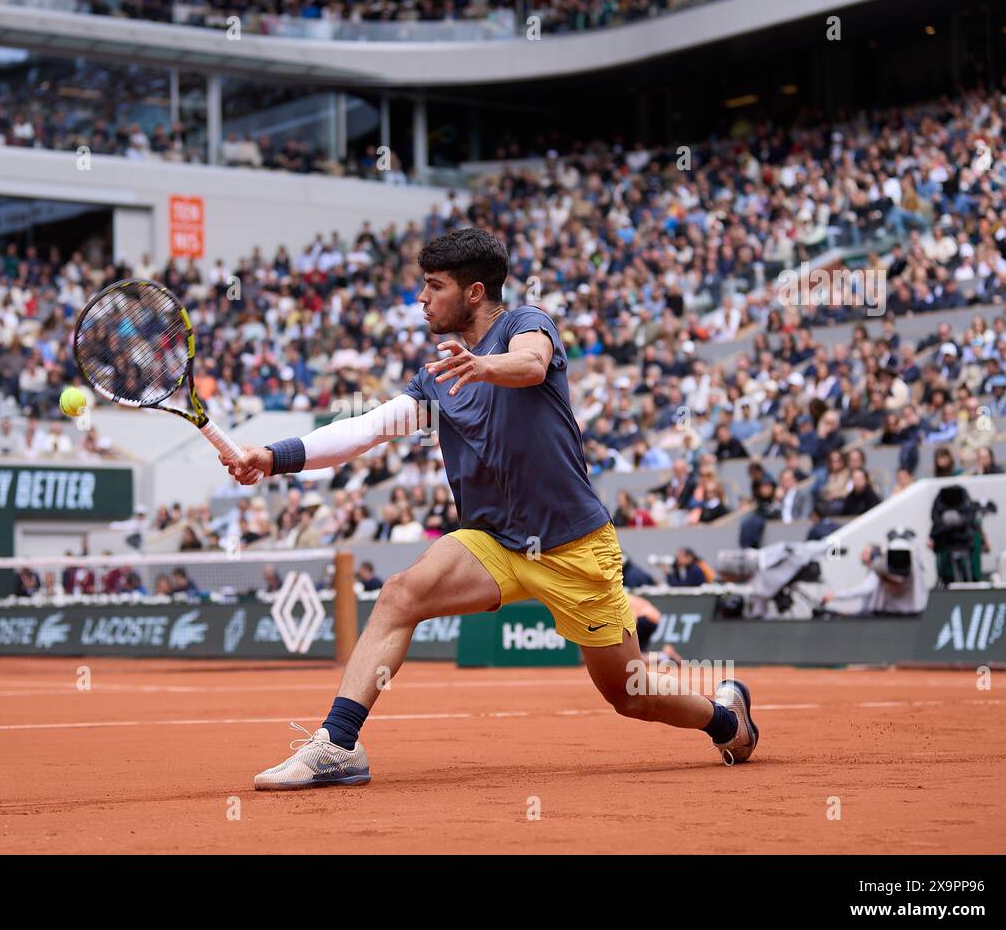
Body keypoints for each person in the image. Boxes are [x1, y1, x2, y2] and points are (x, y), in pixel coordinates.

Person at [219, 228, 758, 789]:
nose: (421, 300)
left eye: (434, 286)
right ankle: (338, 745)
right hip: (494, 543)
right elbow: (367, 430)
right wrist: (273, 457)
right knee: (402, 593)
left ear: (475, 292)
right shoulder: (438, 376)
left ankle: (725, 718)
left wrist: (483, 366)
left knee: (628, 695)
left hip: (573, 547)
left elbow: (529, 365)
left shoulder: (526, 323)